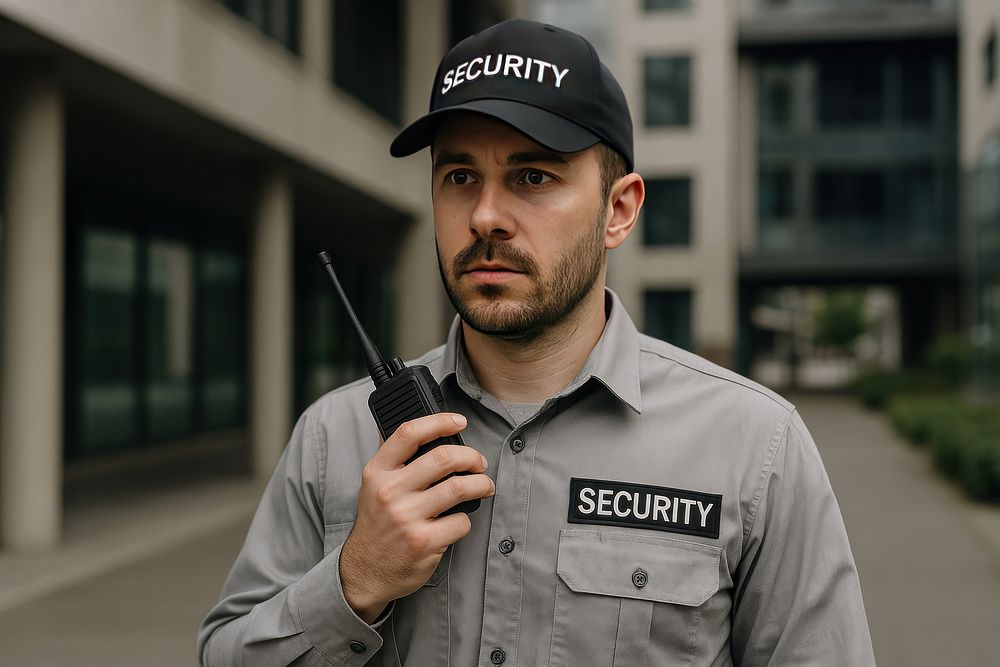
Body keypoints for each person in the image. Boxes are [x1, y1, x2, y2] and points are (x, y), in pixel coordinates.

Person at [199, 18, 875, 666]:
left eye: (533, 176)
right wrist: (354, 581)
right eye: (460, 176)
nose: (486, 215)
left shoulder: (754, 446)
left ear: (619, 209)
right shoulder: (332, 438)